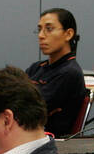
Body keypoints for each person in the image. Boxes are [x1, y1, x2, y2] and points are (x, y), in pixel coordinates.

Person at [25, 7, 87, 135]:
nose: (41, 35)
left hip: (45, 141)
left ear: (68, 34)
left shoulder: (69, 73)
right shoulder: (37, 67)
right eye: (39, 29)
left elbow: (27, 110)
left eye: (49, 29)